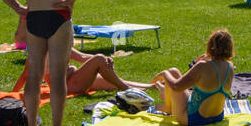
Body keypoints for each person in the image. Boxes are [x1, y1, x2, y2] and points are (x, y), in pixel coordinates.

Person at [152, 29, 236, 126]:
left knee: (171, 72)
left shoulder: (202, 66)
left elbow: (176, 87)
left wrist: (164, 74)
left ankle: (167, 106)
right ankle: (167, 105)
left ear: (210, 46)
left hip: (193, 119)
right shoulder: (230, 66)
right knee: (174, 72)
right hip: (217, 117)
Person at [10, 45, 150, 96]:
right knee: (99, 59)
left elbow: (83, 57)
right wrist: (12, 95)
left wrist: (107, 59)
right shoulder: (39, 52)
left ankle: (151, 86)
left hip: (75, 79)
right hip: (67, 86)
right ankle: (128, 91)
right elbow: (25, 76)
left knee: (115, 81)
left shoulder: (60, 43)